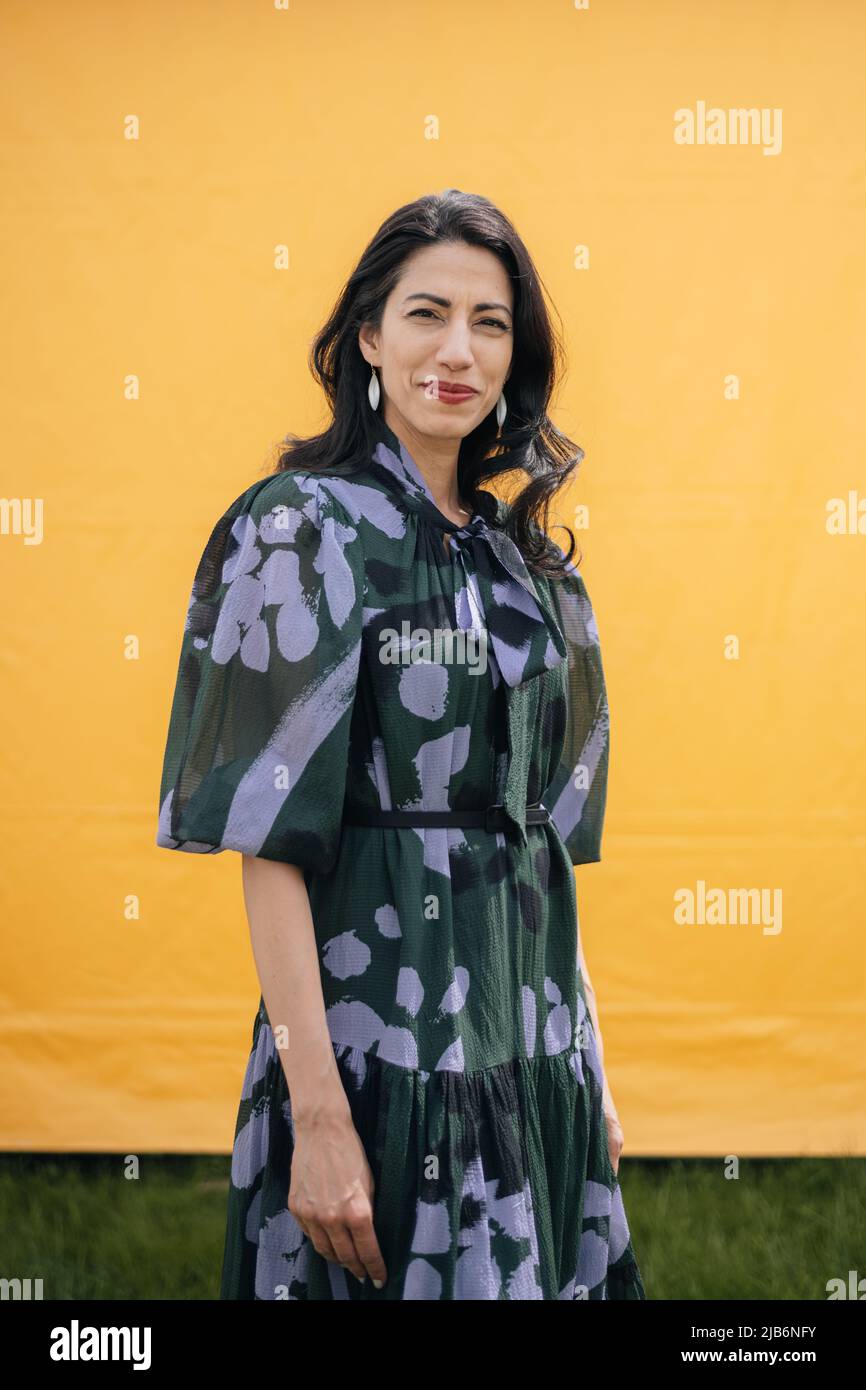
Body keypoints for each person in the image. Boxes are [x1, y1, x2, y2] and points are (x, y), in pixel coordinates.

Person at [156, 188, 646, 1301]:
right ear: (367, 336)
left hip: (532, 1048)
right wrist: (320, 1116)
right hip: (378, 1048)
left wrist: (588, 1066)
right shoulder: (298, 527)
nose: (456, 352)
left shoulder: (534, 569)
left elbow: (540, 846)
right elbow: (270, 842)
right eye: (426, 313)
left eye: (490, 322)